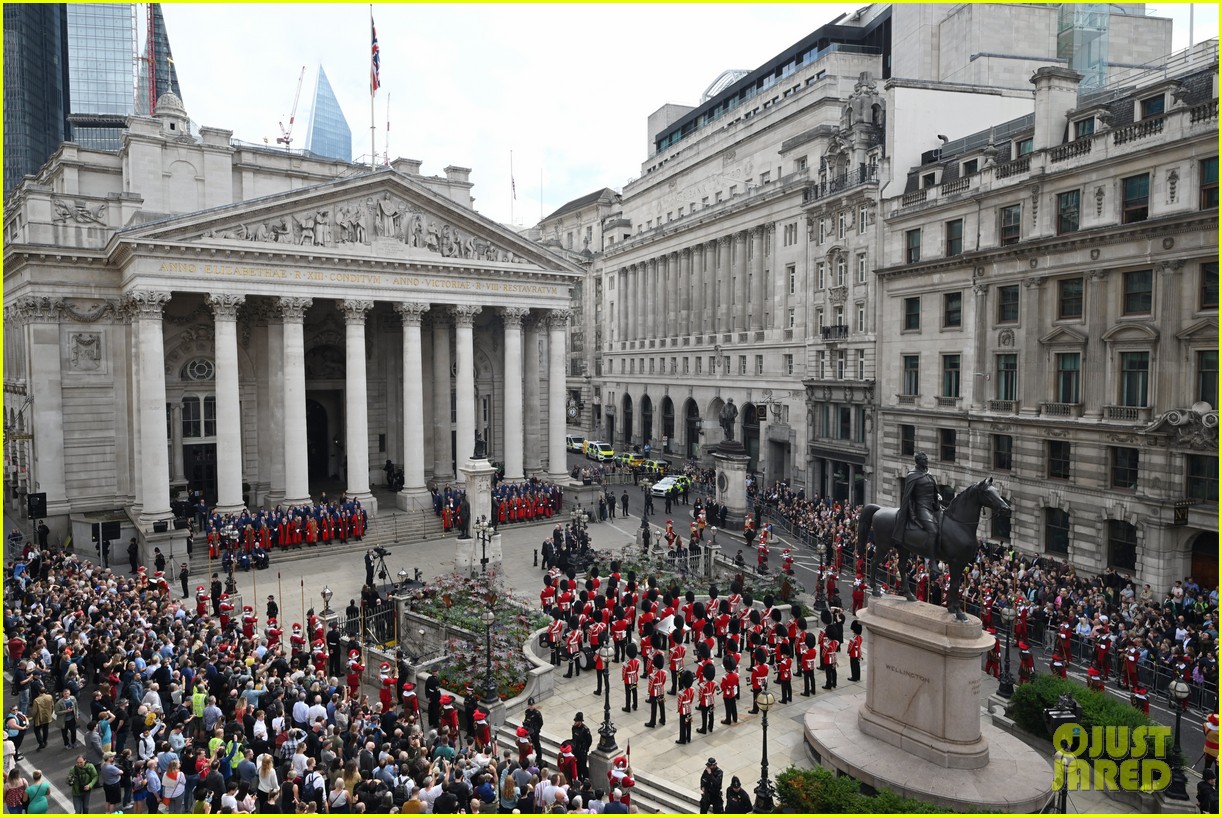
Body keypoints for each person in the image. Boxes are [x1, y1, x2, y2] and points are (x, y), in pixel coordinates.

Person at [893, 451, 941, 550]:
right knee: (933, 531)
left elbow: (933, 488)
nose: (927, 461)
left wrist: (937, 494)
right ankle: (931, 559)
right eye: (924, 460)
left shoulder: (927, 473)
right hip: (921, 507)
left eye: (927, 459)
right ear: (918, 461)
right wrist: (912, 514)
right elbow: (908, 497)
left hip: (933, 505)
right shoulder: (912, 475)